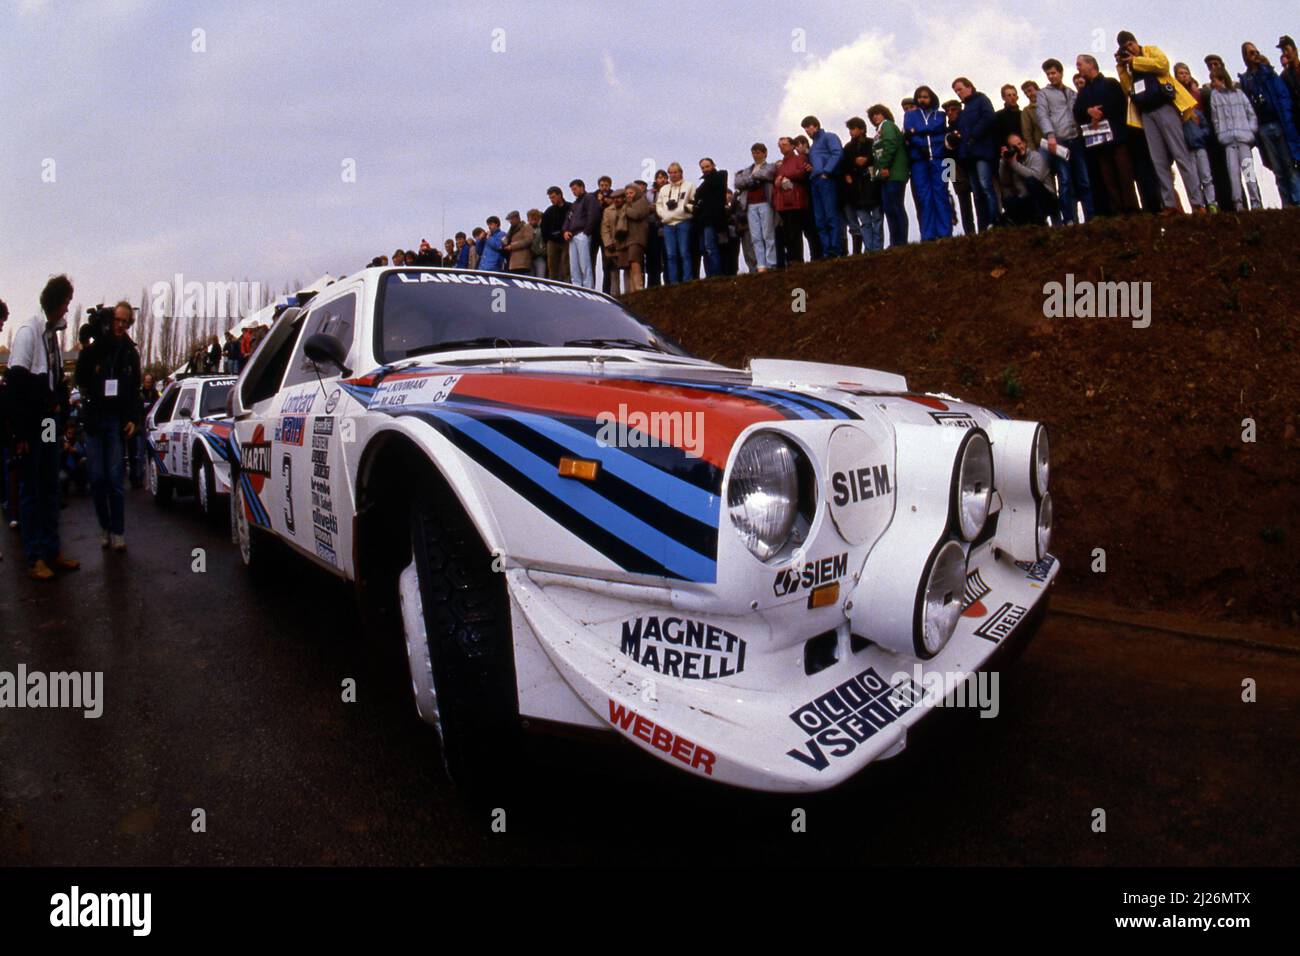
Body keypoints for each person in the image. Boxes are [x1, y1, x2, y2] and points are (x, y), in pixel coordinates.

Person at [7, 275, 80, 580]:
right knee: (31, 490)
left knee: (50, 485)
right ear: (55, 301)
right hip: (32, 424)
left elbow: (55, 384)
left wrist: (61, 420)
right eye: (65, 303)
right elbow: (16, 385)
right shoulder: (28, 332)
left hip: (49, 423)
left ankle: (52, 550)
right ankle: (35, 556)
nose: (67, 309)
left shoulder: (52, 336)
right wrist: (20, 435)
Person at [1115, 30, 1207, 214]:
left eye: (1130, 45)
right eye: (1125, 49)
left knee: (1180, 155)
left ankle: (1197, 204)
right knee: (1159, 160)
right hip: (1146, 114)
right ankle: (1169, 204)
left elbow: (1163, 65)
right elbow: (1127, 89)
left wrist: (1136, 61)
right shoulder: (1128, 66)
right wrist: (1122, 68)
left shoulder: (1150, 51)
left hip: (1165, 107)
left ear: (1134, 42)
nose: (1129, 50)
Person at [75, 302, 142, 552]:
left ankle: (118, 531)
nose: (121, 325)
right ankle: (104, 525)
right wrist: (89, 348)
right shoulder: (97, 346)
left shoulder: (129, 352)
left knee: (115, 479)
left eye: (126, 322)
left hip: (115, 420)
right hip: (94, 419)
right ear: (110, 319)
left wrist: (134, 419)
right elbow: (80, 377)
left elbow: (135, 389)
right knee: (97, 478)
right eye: (118, 319)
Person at [1074, 53, 1142, 215]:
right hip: (1098, 142)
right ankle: (1117, 211)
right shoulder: (1083, 92)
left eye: (1079, 64)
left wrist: (1100, 112)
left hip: (1117, 138)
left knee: (1124, 174)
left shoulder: (1110, 83)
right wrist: (1088, 111)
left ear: (1091, 64)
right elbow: (1077, 111)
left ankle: (1132, 209)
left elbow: (1120, 104)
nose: (1078, 67)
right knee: (1107, 177)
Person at [1237, 40, 1300, 206]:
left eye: (1256, 51)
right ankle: (1287, 204)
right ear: (1245, 57)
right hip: (1263, 128)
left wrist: (1287, 120)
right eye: (1251, 53)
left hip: (1279, 124)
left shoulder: (1269, 73)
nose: (1255, 55)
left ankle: (1297, 201)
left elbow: (1283, 96)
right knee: (1277, 169)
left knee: (1289, 166)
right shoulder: (1246, 81)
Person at [1038, 58, 1095, 223]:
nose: (1051, 76)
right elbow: (1042, 115)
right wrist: (1050, 135)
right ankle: (1069, 218)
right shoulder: (1044, 94)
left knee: (1083, 178)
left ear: (1060, 73)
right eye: (1048, 74)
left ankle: (1090, 216)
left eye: (1053, 73)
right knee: (1065, 179)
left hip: (1076, 139)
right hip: (1059, 141)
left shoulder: (1071, 93)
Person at [1209, 66, 1264, 210]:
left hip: (1243, 139)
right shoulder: (1214, 96)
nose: (1212, 83)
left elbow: (1250, 113)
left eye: (1213, 79)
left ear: (1221, 79)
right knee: (1233, 173)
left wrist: (1250, 131)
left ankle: (1256, 203)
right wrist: (1221, 134)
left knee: (1248, 172)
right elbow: (1215, 119)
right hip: (1228, 141)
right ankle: (1238, 204)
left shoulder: (1239, 94)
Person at [950, 78, 1000, 230]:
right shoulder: (963, 112)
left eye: (960, 89)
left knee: (986, 186)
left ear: (969, 87)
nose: (959, 93)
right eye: (956, 91)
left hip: (982, 152)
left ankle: (995, 220)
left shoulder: (982, 100)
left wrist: (973, 135)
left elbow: (989, 118)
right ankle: (982, 226)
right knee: (976, 193)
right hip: (964, 159)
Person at [904, 86, 953, 241]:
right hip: (919, 161)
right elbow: (909, 135)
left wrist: (919, 131)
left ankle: (945, 232)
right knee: (924, 197)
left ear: (931, 98)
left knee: (942, 194)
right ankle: (928, 234)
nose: (922, 100)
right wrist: (921, 137)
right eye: (919, 97)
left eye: (925, 96)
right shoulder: (910, 115)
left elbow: (939, 130)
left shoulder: (940, 115)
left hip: (942, 160)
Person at [1174, 63, 1218, 212]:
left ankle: (1212, 203)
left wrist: (1201, 134)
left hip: (1199, 145)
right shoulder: (1173, 98)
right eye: (1181, 73)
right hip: (1186, 147)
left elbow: (1204, 123)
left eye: (1186, 72)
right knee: (1193, 180)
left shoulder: (1196, 95)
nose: (1184, 75)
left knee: (1207, 176)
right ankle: (1199, 206)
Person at [802, 116, 845, 257]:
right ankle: (826, 251)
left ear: (815, 126)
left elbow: (837, 152)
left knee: (831, 215)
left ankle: (835, 249)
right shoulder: (813, 146)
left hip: (827, 180)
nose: (807, 130)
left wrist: (827, 171)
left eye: (809, 127)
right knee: (820, 218)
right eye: (805, 128)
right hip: (815, 181)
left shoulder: (829, 137)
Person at [868, 105, 910, 247]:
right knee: (889, 208)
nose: (875, 117)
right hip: (884, 176)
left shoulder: (888, 126)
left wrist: (885, 166)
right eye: (872, 115)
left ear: (884, 114)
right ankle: (895, 242)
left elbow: (890, 145)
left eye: (877, 113)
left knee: (896, 206)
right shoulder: (878, 131)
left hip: (894, 173)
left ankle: (901, 241)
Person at [838, 118, 881, 253]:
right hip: (857, 189)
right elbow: (844, 167)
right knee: (864, 221)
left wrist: (867, 160)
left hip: (873, 185)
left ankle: (877, 248)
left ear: (862, 129)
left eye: (854, 128)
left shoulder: (872, 143)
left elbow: (878, 159)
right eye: (850, 129)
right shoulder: (848, 148)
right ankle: (869, 248)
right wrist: (849, 174)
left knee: (877, 219)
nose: (851, 132)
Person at [734, 143, 778, 272]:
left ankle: (771, 263)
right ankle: (761, 264)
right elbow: (738, 182)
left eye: (758, 152)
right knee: (755, 236)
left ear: (765, 153)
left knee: (768, 234)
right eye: (754, 152)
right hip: (750, 205)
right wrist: (753, 179)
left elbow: (767, 174)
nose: (756, 155)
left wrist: (749, 179)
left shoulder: (770, 166)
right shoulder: (748, 169)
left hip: (765, 203)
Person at [999, 133, 1059, 224]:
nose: (1019, 148)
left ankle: (1040, 221)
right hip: (1026, 199)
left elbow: (1036, 177)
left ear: (1024, 143)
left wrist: (1014, 164)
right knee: (1008, 201)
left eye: (1019, 144)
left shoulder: (1035, 156)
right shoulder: (1010, 161)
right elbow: (1005, 182)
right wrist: (1003, 162)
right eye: (1014, 147)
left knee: (1031, 181)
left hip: (1046, 198)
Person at [773, 136, 812, 264]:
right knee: (788, 232)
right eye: (780, 145)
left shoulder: (799, 158)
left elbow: (801, 173)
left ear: (791, 145)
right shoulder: (781, 164)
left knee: (796, 231)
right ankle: (792, 258)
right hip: (783, 202)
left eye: (784, 144)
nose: (782, 147)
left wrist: (783, 176)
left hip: (797, 199)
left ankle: (798, 258)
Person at [655, 163, 695, 284]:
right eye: (670, 173)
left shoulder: (689, 186)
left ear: (681, 172)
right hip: (668, 224)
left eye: (675, 172)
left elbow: (693, 202)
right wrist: (664, 214)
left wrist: (684, 208)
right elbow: (659, 205)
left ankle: (687, 279)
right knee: (671, 254)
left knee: (684, 252)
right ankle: (674, 282)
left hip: (683, 221)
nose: (672, 175)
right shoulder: (664, 189)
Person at [943, 99, 976, 234]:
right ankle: (969, 231)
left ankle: (985, 227)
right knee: (963, 199)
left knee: (979, 195)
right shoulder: (944, 130)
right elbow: (945, 154)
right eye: (947, 111)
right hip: (952, 166)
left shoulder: (966, 125)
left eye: (953, 109)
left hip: (969, 163)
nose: (950, 113)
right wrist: (949, 174)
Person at [693, 158, 729, 277]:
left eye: (707, 166)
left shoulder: (718, 177)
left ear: (713, 165)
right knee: (704, 249)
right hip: (702, 220)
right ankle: (710, 275)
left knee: (710, 247)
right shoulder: (705, 182)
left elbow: (701, 194)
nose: (705, 169)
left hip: (712, 219)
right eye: (703, 168)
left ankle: (716, 274)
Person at [562, 179, 601, 288]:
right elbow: (568, 219)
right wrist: (565, 231)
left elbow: (593, 215)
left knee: (585, 263)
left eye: (575, 189)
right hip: (572, 236)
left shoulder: (589, 198)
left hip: (582, 234)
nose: (573, 192)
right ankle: (577, 286)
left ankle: (588, 287)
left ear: (582, 187)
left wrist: (587, 232)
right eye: (572, 190)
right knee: (574, 264)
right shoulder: (574, 204)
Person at [621, 183, 651, 292]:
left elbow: (637, 214)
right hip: (628, 238)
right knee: (630, 263)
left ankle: (639, 286)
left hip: (638, 237)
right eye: (627, 193)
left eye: (631, 193)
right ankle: (632, 288)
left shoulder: (642, 201)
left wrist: (625, 209)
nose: (629, 195)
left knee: (635, 261)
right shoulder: (629, 204)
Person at [599, 190, 628, 295]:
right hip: (612, 245)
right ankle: (615, 294)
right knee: (613, 271)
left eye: (619, 197)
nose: (616, 200)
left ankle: (628, 293)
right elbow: (604, 228)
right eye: (614, 198)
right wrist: (608, 243)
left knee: (627, 269)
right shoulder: (607, 211)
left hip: (625, 244)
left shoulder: (628, 209)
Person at [540, 186, 570, 282]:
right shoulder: (549, 211)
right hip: (552, 241)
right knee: (552, 266)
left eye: (553, 197)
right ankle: (553, 285)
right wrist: (547, 240)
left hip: (566, 240)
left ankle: (567, 285)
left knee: (566, 264)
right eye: (550, 198)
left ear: (560, 195)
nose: (551, 200)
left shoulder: (570, 207)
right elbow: (543, 227)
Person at [502, 210, 534, 275]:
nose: (510, 221)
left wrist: (512, 246)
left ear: (517, 218)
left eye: (512, 219)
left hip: (521, 262)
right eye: (509, 220)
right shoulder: (510, 231)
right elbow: (506, 241)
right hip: (511, 262)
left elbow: (528, 240)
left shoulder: (526, 227)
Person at [1020, 80, 1046, 150]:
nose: (1029, 95)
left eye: (1030, 91)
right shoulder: (1027, 111)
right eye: (1026, 93)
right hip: (1043, 146)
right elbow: (1027, 134)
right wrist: (1033, 152)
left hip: (1061, 142)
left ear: (1037, 89)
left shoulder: (1049, 102)